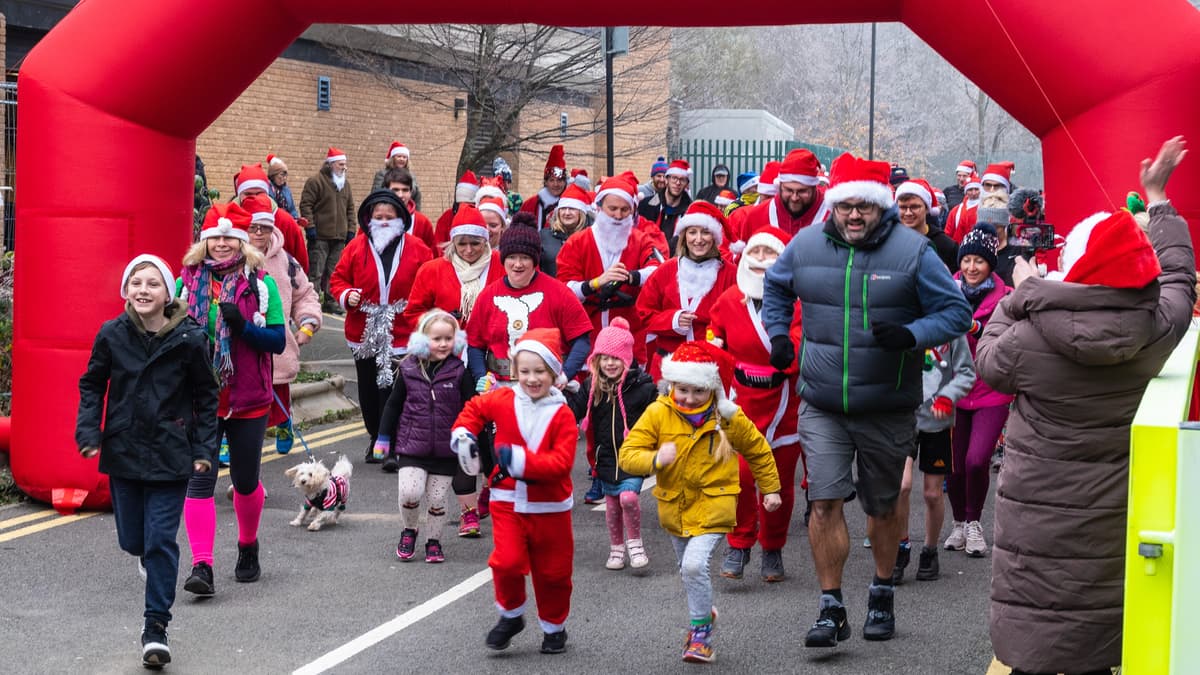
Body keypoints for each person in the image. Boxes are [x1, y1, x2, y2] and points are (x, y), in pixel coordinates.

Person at [980, 136, 1194, 675]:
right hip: (1110, 523)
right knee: (1097, 645)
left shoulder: (1029, 339)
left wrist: (1022, 292)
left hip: (1036, 530)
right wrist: (1158, 199)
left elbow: (986, 358)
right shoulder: (1157, 329)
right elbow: (1179, 282)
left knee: (1035, 642)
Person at [762, 152, 971, 646]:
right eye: (845, 206)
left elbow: (956, 312)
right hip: (823, 402)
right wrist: (778, 334)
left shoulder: (913, 252)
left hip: (887, 404)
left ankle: (880, 591)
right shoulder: (806, 244)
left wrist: (912, 334)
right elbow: (774, 287)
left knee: (881, 507)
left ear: (883, 208)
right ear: (830, 203)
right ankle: (831, 606)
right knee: (825, 500)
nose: (854, 215)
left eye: (865, 207)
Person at [77, 254, 219, 668]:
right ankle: (144, 556)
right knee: (133, 541)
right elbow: (92, 384)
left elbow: (206, 398)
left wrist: (203, 451)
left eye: (153, 283)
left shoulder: (190, 338)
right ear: (126, 290)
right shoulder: (112, 334)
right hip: (123, 451)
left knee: (161, 541)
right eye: (136, 282)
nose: (143, 289)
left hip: (171, 453)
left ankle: (155, 627)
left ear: (168, 292)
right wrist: (89, 432)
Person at [618, 340, 782, 663]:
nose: (689, 398)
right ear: (671, 385)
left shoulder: (727, 417)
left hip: (715, 504)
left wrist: (771, 489)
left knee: (694, 566)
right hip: (675, 508)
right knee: (688, 571)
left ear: (712, 389)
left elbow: (758, 449)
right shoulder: (658, 412)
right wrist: (655, 460)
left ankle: (701, 636)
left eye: (698, 391)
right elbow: (627, 456)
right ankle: (705, 614)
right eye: (682, 390)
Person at [178, 203, 286, 597]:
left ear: (241, 242)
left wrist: (241, 327)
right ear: (204, 242)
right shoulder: (184, 284)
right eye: (214, 237)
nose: (222, 244)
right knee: (200, 480)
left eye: (229, 237)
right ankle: (202, 564)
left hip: (247, 397)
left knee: (244, 481)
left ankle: (247, 545)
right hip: (201, 399)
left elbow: (276, 340)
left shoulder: (261, 285)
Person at [451, 329, 578, 654]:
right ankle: (511, 615)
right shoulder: (504, 398)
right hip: (506, 500)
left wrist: (518, 461)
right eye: (524, 372)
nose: (532, 379)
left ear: (553, 373)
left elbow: (561, 463)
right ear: (514, 371)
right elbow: (474, 410)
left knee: (554, 574)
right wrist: (464, 435)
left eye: (540, 372)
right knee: (505, 562)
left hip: (551, 507)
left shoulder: (562, 414)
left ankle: (554, 627)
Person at [708, 229, 805, 583]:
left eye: (770, 252)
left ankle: (773, 547)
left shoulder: (796, 302)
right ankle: (739, 542)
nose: (761, 258)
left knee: (778, 481)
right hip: (740, 400)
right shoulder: (730, 299)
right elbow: (714, 338)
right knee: (742, 476)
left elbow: (800, 344)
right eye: (756, 250)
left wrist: (785, 360)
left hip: (783, 401)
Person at [401, 204, 505, 534]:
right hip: (446, 364)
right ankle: (468, 510)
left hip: (488, 362)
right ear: (453, 244)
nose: (470, 250)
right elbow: (412, 314)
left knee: (490, 435)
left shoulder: (501, 266)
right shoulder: (433, 269)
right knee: (460, 433)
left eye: (476, 243)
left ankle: (489, 489)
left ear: (487, 241)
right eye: (462, 243)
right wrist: (442, 321)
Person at [330, 189, 433, 464]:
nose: (384, 221)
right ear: (369, 219)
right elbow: (337, 279)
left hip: (402, 329)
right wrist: (346, 294)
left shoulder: (419, 250)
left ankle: (394, 443)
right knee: (368, 388)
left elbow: (431, 281)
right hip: (363, 330)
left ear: (401, 219)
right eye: (379, 217)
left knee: (397, 389)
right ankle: (375, 436)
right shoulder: (355, 247)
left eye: (390, 216)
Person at [373, 310, 475, 563]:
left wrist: (473, 442)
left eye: (448, 338)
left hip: (445, 450)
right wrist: (383, 437)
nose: (443, 344)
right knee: (410, 493)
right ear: (422, 340)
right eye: (436, 338)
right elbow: (393, 405)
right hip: (411, 446)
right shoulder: (408, 369)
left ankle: (434, 541)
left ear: (456, 340)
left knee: (438, 499)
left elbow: (471, 408)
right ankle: (409, 530)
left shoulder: (460, 371)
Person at [942, 224, 1012, 558]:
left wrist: (978, 328)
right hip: (952, 388)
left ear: (990, 264)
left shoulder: (1007, 297)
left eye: (979, 261)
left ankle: (974, 522)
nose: (971, 267)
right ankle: (958, 523)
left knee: (976, 459)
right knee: (954, 465)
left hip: (991, 390)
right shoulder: (945, 291)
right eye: (966, 260)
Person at [565, 317, 656, 569]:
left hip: (633, 457)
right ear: (596, 360)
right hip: (605, 457)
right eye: (604, 357)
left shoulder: (643, 387)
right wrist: (557, 404)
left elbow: (659, 417)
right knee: (613, 504)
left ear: (626, 359)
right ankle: (616, 549)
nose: (610, 363)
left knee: (628, 497)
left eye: (616, 358)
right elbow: (574, 411)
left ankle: (635, 544)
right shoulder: (592, 386)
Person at [465, 224, 594, 392]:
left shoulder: (560, 293)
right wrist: (481, 376)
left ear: (535, 260)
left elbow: (582, 340)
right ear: (503, 259)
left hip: (548, 388)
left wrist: (566, 374)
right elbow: (475, 344)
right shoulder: (488, 296)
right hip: (501, 389)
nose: (517, 264)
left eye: (524, 257)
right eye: (512, 257)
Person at [242, 196, 322, 454]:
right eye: (252, 227)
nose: (258, 233)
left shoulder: (286, 261)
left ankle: (284, 422)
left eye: (264, 227)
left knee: (278, 389)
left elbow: (305, 294)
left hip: (276, 340)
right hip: (241, 339)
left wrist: (307, 323)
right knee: (237, 391)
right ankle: (228, 440)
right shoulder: (231, 256)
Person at [895, 333, 974, 582]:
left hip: (938, 422)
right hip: (903, 418)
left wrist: (948, 396)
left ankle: (929, 551)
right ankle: (901, 547)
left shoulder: (952, 327)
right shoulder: (903, 317)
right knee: (901, 485)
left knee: (932, 493)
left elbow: (966, 373)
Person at [636, 201, 736, 379]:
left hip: (711, 367)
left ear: (714, 237)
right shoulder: (665, 271)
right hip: (668, 365)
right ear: (684, 236)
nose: (698, 239)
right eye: (692, 232)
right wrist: (672, 321)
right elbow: (643, 313)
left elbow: (738, 319)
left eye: (705, 232)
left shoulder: (730, 274)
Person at [732, 149, 826, 254]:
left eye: (802, 191)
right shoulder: (757, 216)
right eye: (789, 190)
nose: (794, 198)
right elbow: (744, 264)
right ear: (779, 185)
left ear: (814, 187)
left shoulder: (830, 214)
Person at [300, 147, 355, 314]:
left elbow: (350, 209)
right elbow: (306, 205)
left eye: (345, 165)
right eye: (340, 164)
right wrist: (310, 227)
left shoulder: (345, 185)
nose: (344, 168)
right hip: (320, 236)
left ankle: (331, 301)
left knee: (333, 272)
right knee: (316, 271)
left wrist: (351, 229)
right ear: (331, 165)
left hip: (339, 237)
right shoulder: (315, 181)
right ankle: (312, 302)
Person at [234, 163, 308, 273]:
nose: (254, 198)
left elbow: (301, 264)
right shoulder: (228, 219)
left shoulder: (285, 221)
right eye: (248, 194)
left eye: (259, 193)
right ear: (239, 194)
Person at [895, 178, 958, 270]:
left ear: (927, 208)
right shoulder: (889, 242)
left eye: (915, 207)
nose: (908, 213)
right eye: (903, 207)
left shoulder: (946, 246)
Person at [638, 159, 693, 250]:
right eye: (674, 178)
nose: (678, 183)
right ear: (667, 179)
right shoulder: (646, 206)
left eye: (682, 179)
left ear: (686, 184)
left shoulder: (690, 213)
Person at [539, 182, 591, 277]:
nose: (567, 213)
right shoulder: (544, 236)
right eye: (563, 209)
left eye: (572, 208)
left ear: (581, 212)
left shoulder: (591, 238)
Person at [380, 166, 436, 251]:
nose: (400, 195)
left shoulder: (422, 222)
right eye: (395, 190)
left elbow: (431, 255)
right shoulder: (374, 219)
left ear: (411, 192)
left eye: (405, 190)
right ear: (386, 190)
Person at [519, 144, 568, 229]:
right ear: (546, 182)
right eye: (551, 180)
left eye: (559, 180)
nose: (556, 184)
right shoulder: (530, 204)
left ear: (565, 182)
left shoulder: (569, 206)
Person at [433, 171, 480, 248]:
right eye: (462, 205)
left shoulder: (480, 217)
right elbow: (437, 246)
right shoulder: (447, 217)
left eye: (470, 206)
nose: (465, 210)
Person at [372, 141, 422, 210]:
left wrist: (416, 213)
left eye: (404, 157)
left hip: (407, 210)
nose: (402, 159)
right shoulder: (382, 174)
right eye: (399, 156)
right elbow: (376, 194)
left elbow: (417, 196)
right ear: (393, 158)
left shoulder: (411, 175)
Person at [945, 172, 982, 243]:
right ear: (966, 191)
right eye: (970, 190)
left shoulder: (985, 208)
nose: (973, 193)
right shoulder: (956, 210)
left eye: (976, 189)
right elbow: (948, 233)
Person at [266, 153, 300, 220]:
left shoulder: (286, 190)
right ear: (273, 175)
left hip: (287, 223)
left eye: (285, 175)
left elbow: (292, 209)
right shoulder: (267, 189)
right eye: (282, 175)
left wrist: (296, 218)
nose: (284, 178)